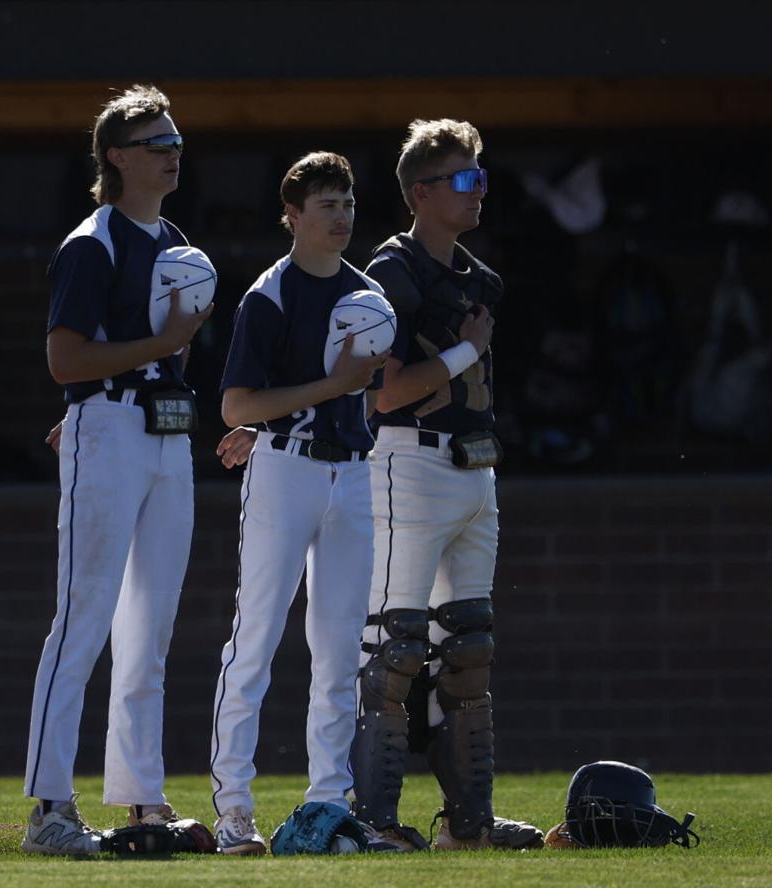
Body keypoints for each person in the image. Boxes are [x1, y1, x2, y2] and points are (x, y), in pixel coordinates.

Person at [22, 84, 212, 855]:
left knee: (150, 630)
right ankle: (48, 810)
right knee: (83, 616)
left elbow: (174, 345)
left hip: (168, 434)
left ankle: (140, 800)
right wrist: (160, 347)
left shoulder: (173, 239)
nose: (172, 155)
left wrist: (168, 349)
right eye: (156, 144)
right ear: (116, 157)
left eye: (176, 143)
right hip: (108, 424)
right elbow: (63, 359)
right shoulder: (91, 241)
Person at [350, 118, 543, 851]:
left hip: (473, 466)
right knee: (393, 648)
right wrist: (466, 349)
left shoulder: (478, 277)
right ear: (419, 192)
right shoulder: (389, 273)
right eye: (464, 180)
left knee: (469, 645)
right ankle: (374, 821)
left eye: (481, 178)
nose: (477, 192)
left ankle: (470, 823)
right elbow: (385, 393)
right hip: (409, 460)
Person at [209, 152, 389, 855]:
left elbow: (368, 392)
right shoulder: (269, 296)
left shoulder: (367, 294)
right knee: (254, 640)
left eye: (346, 203)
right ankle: (233, 813)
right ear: (291, 214)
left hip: (352, 472)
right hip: (285, 472)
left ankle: (328, 804)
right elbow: (235, 404)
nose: (340, 216)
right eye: (325, 205)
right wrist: (326, 387)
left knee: (340, 649)